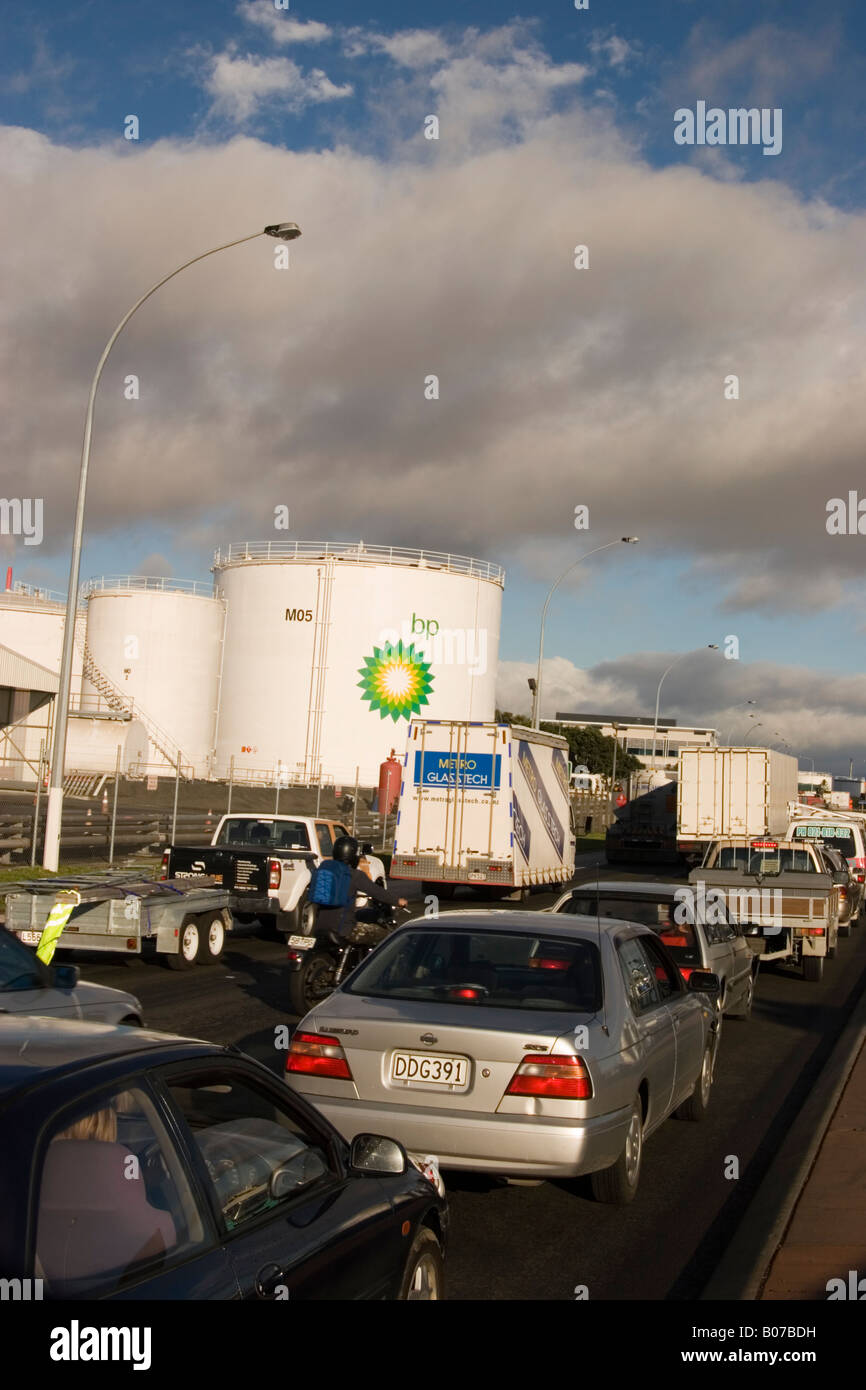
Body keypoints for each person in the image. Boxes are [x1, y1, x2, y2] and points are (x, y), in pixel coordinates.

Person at [309, 835, 408, 943]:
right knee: (384, 935)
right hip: (344, 930)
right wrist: (397, 901)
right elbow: (377, 892)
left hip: (319, 928)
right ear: (353, 855)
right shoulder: (354, 875)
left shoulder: (325, 869)